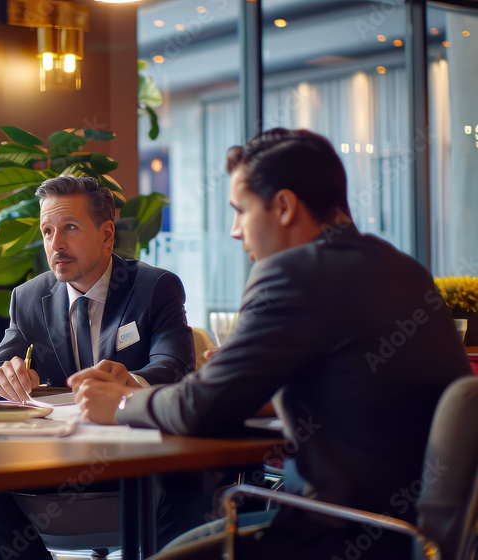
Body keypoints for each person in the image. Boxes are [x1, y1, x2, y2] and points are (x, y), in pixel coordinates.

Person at [71, 128, 473, 559]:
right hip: (411, 536)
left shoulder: (291, 273)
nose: (234, 230)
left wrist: (118, 405)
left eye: (240, 211)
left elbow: (200, 408)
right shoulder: (403, 269)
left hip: (337, 533)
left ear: (283, 207)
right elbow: (354, 391)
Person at [0, 175, 200, 560]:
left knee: (192, 471)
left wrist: (130, 385)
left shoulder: (156, 287)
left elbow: (176, 368)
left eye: (69, 227)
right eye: (47, 230)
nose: (56, 243)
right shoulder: (30, 297)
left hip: (138, 466)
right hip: (58, 463)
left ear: (106, 235)